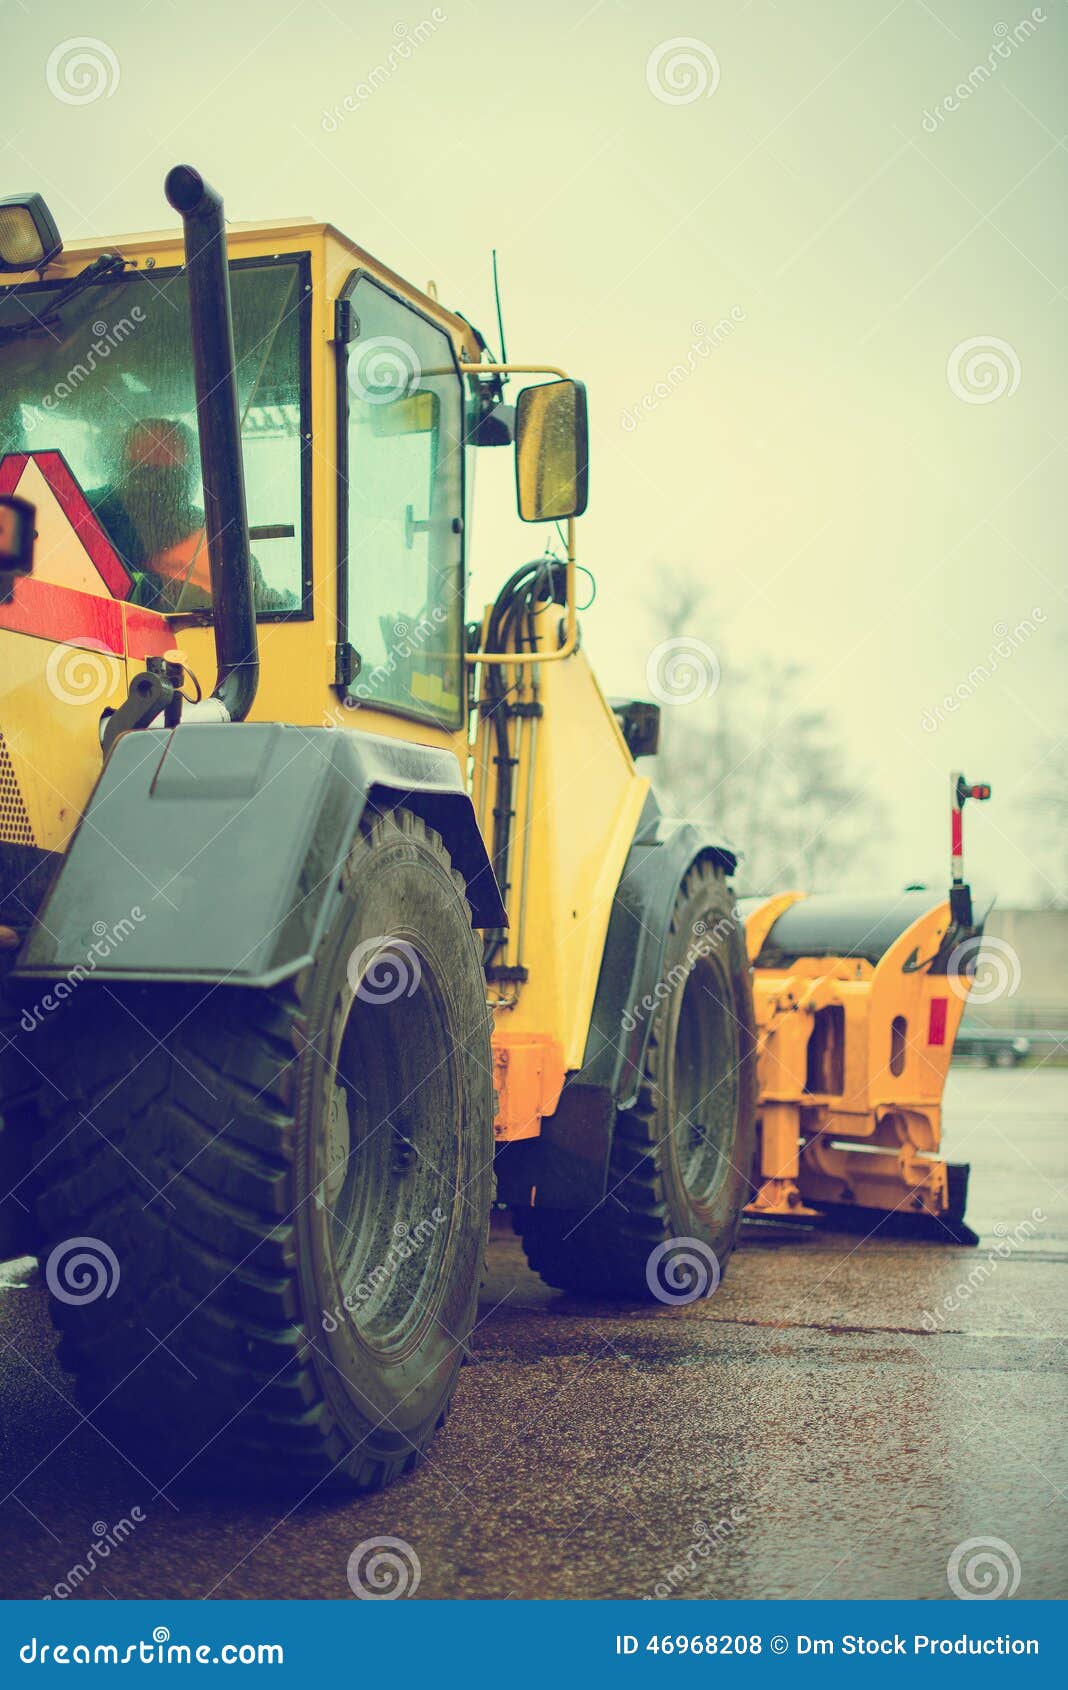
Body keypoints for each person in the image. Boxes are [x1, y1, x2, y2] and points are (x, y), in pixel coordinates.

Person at [91, 418, 295, 613]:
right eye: (145, 471)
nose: (154, 488)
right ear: (121, 469)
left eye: (172, 475)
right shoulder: (90, 517)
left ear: (190, 480)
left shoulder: (216, 535)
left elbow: (256, 606)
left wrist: (291, 604)